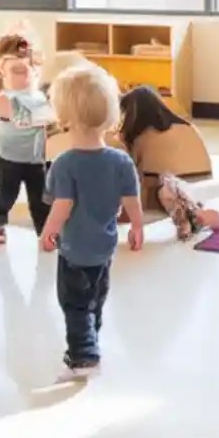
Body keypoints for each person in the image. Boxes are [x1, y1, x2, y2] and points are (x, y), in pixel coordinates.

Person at [40, 64, 144, 381]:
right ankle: (88, 343)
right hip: (105, 247)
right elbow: (132, 200)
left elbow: (63, 204)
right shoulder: (121, 160)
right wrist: (137, 227)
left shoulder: (64, 164)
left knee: (73, 304)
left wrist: (49, 230)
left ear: (63, 117)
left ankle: (84, 357)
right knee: (94, 301)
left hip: (74, 250)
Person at [117, 85, 219, 240]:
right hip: (197, 180)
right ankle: (194, 213)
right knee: (173, 188)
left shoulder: (138, 135)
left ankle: (187, 216)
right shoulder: (185, 126)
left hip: (165, 186)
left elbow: (133, 173)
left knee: (159, 188)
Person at [0, 34, 54, 244]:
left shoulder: (39, 97)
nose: (22, 75)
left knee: (40, 199)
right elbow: (23, 119)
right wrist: (47, 117)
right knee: (7, 196)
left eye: (26, 70)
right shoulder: (3, 99)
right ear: (3, 71)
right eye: (15, 70)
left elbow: (49, 119)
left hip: (36, 159)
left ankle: (43, 231)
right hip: (10, 160)